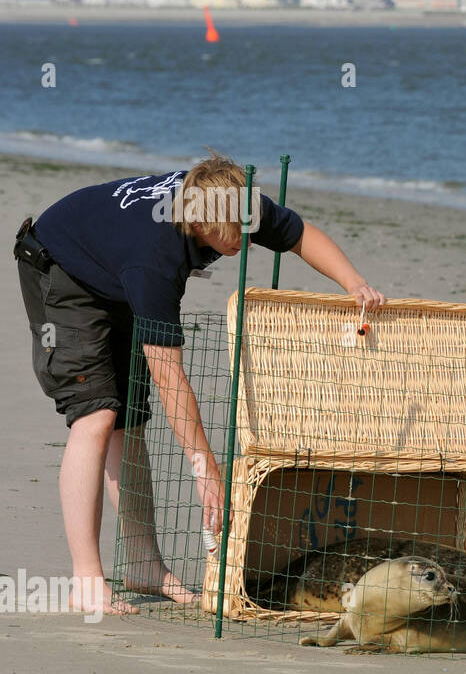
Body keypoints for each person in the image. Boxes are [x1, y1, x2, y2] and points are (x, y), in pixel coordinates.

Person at [15, 152, 385, 616]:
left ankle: (144, 564)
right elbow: (170, 375)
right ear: (194, 222)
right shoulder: (154, 262)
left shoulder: (234, 202)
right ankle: (87, 580)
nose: (239, 243)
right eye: (226, 237)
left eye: (243, 230)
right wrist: (205, 471)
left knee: (129, 418)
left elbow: (299, 234)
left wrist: (354, 283)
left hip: (109, 267)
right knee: (96, 414)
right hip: (60, 268)